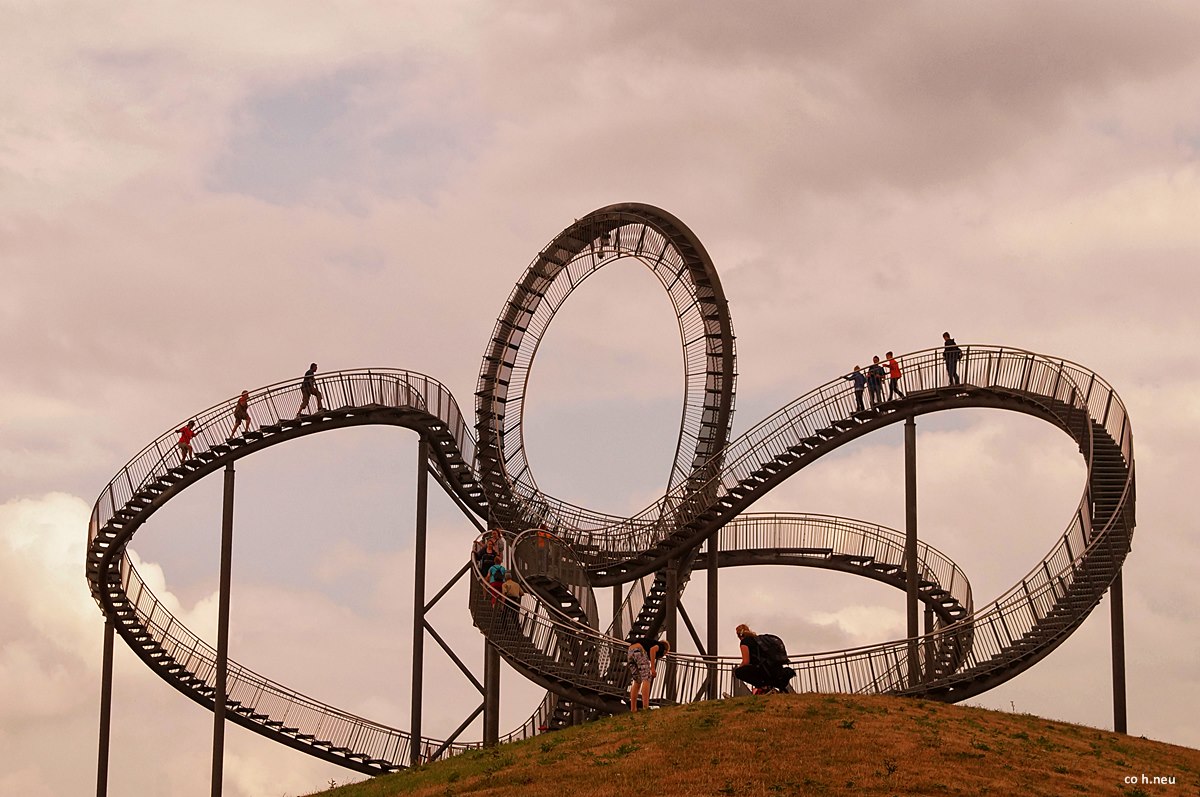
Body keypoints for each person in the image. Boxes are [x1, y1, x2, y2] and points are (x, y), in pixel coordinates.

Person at [734, 624, 794, 695]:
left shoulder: (744, 642)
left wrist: (738, 668)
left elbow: (746, 662)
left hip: (764, 671)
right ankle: (767, 687)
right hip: (774, 670)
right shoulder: (758, 640)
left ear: (738, 635)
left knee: (739, 672)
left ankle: (764, 687)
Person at [627, 637, 669, 712]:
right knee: (646, 678)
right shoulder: (661, 647)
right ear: (665, 650)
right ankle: (645, 707)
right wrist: (652, 668)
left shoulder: (649, 642)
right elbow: (653, 650)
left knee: (637, 681)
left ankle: (633, 709)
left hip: (630, 651)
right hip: (639, 651)